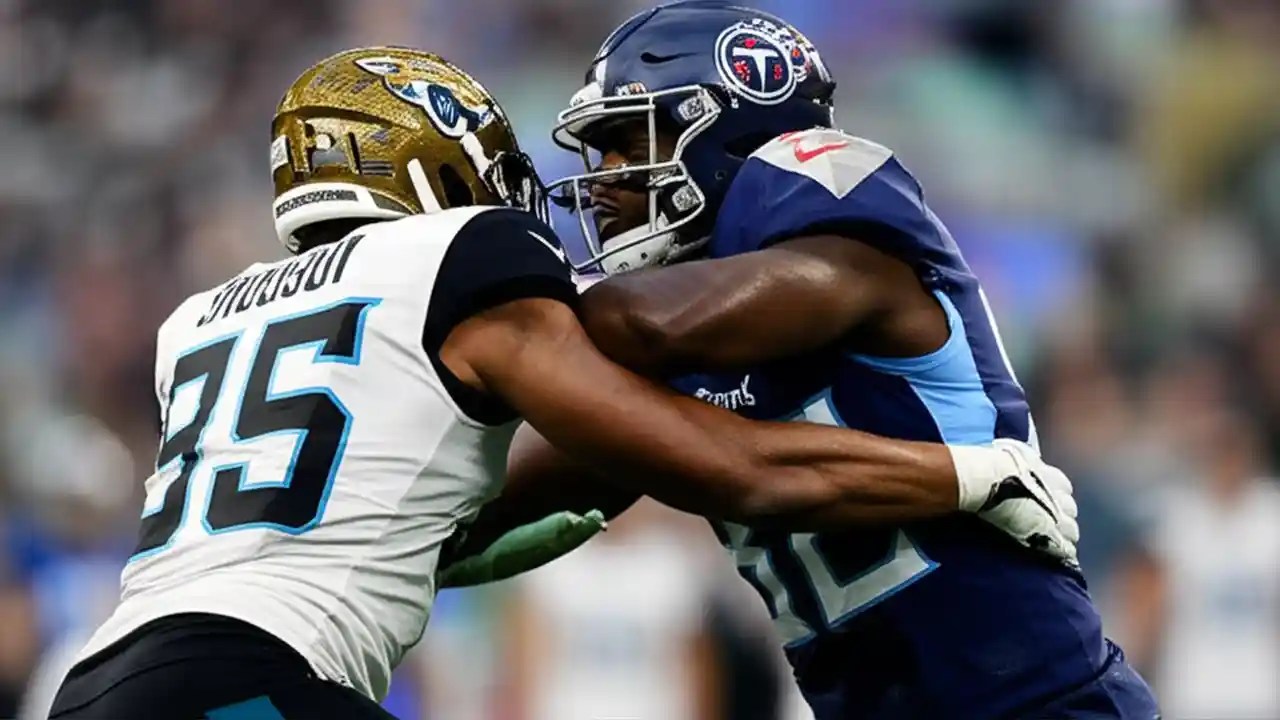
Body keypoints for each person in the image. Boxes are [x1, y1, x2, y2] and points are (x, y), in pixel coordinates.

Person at [48, 46, 1074, 720]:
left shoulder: (200, 318)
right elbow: (737, 470)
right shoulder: (455, 256)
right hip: (252, 681)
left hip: (96, 684)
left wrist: (468, 522)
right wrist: (966, 475)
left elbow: (331, 509)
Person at [502, 2, 1160, 718]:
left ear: (724, 123)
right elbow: (516, 482)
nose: (605, 180)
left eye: (629, 143)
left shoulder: (841, 254)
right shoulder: (668, 336)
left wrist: (489, 290)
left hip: (1038, 701)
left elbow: (654, 331)